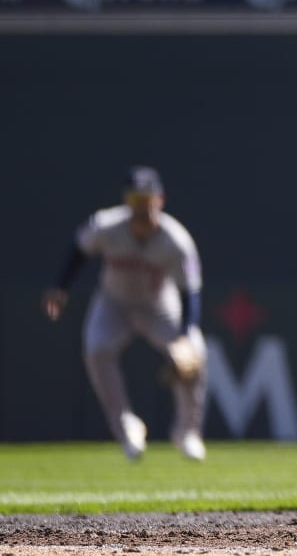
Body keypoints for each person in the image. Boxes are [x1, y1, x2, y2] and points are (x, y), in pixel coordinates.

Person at [42, 167, 208, 461]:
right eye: (135, 198)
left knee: (194, 351)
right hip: (113, 304)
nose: (141, 206)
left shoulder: (176, 239)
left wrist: (185, 334)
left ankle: (188, 432)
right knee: (96, 349)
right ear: (127, 200)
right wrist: (61, 286)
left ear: (160, 199)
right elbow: (79, 249)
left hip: (159, 306)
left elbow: (190, 292)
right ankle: (127, 427)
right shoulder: (106, 225)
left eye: (147, 198)